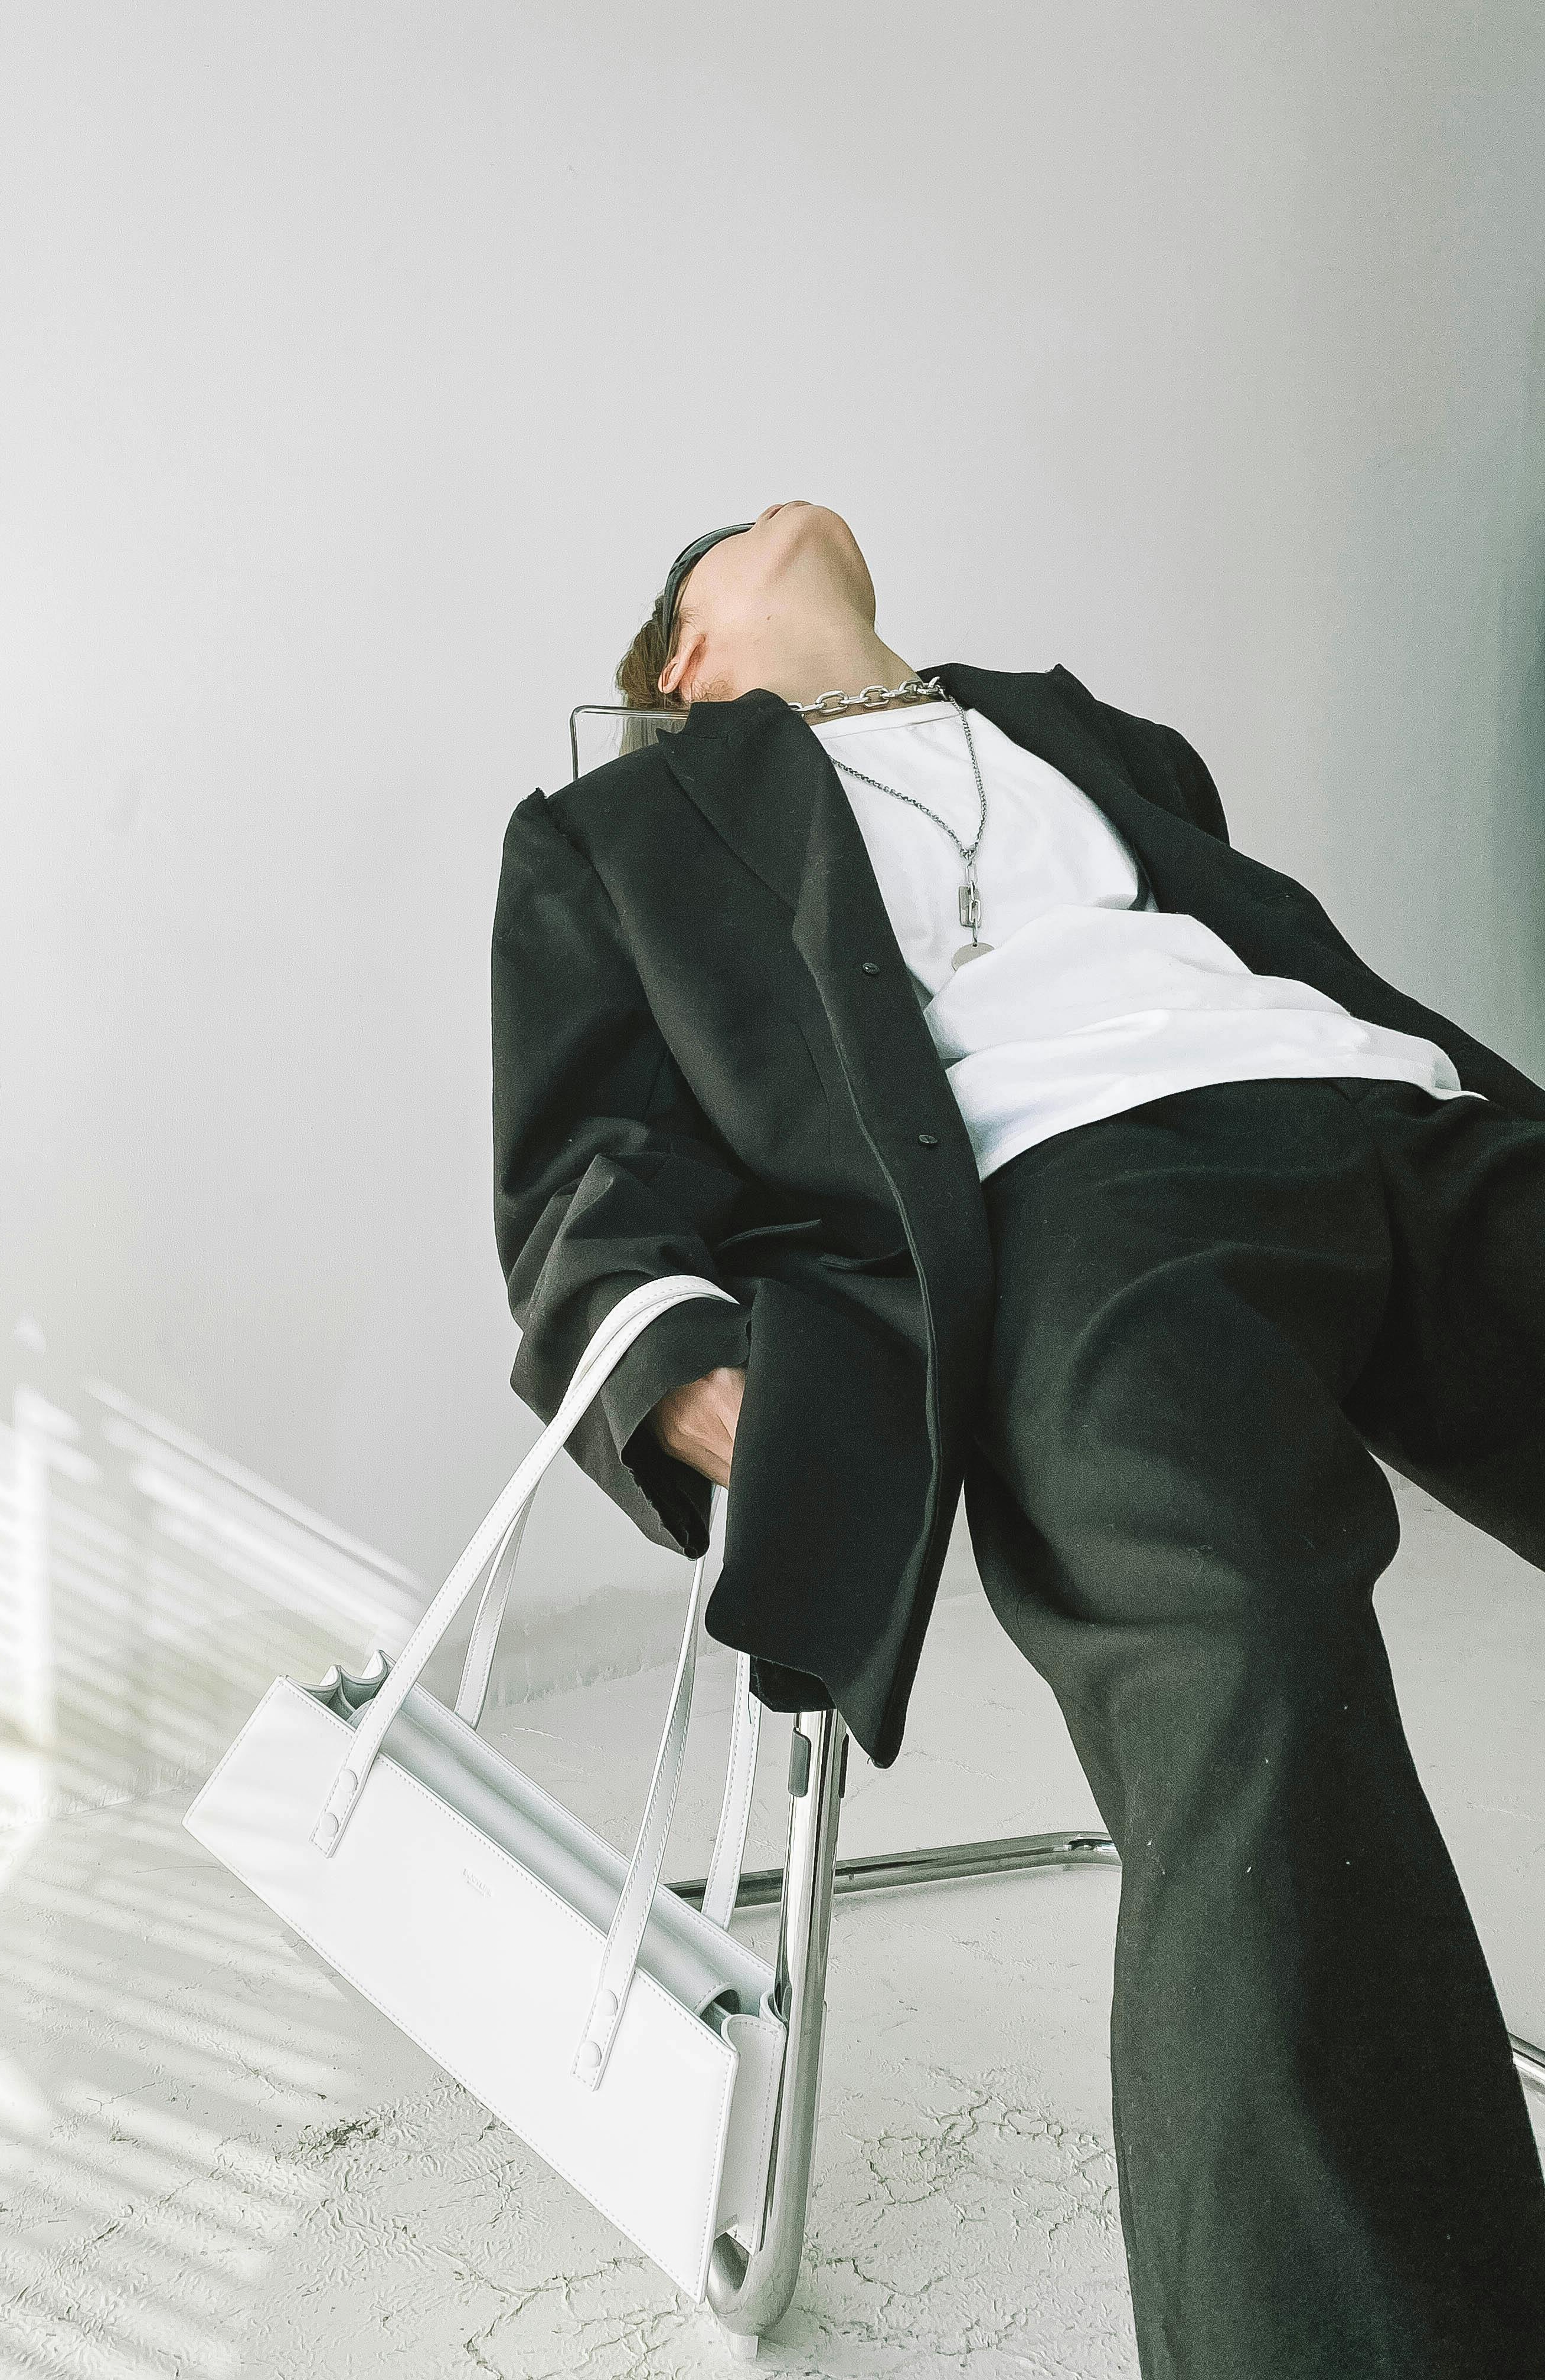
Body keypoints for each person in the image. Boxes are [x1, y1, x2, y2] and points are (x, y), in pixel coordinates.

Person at [488, 500, 1545, 2376]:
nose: (781, 511)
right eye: (723, 542)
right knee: (1244, 1666)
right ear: (684, 664)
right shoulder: (621, 826)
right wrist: (669, 1359)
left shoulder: (1090, 738)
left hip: (1397, 1118)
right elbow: (585, 1155)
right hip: (1078, 1216)